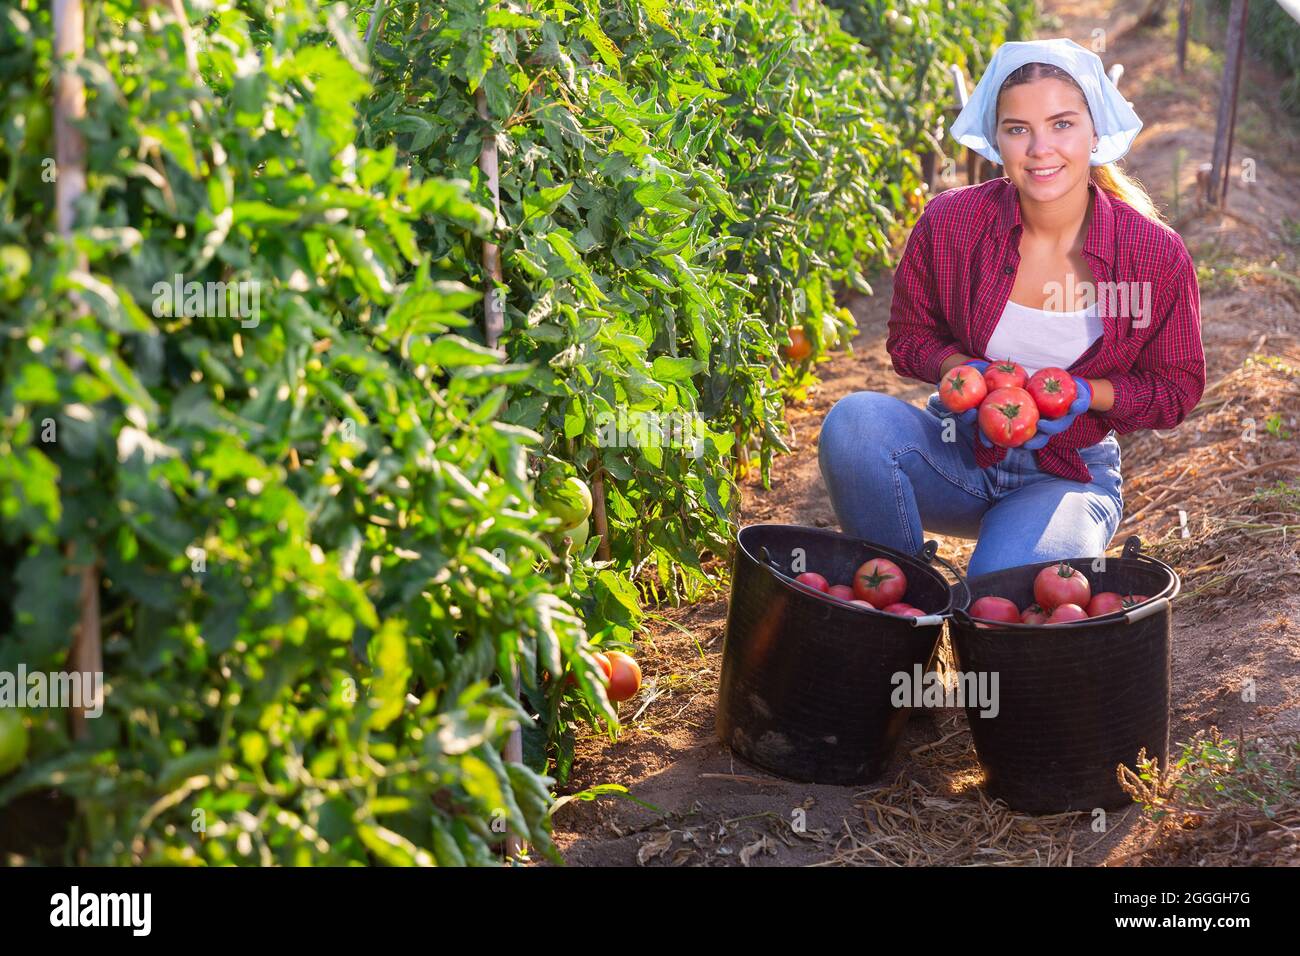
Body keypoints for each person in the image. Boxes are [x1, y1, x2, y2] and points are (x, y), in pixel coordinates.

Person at [818, 38, 1205, 580]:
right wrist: (963, 374)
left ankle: (989, 589)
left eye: (1062, 124)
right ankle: (901, 610)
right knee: (854, 425)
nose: (1039, 148)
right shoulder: (954, 224)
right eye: (1018, 128)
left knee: (999, 604)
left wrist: (1089, 394)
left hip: (1068, 475)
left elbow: (1177, 387)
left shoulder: (1151, 254)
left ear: (1095, 132)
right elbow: (909, 338)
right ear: (997, 139)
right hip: (957, 452)